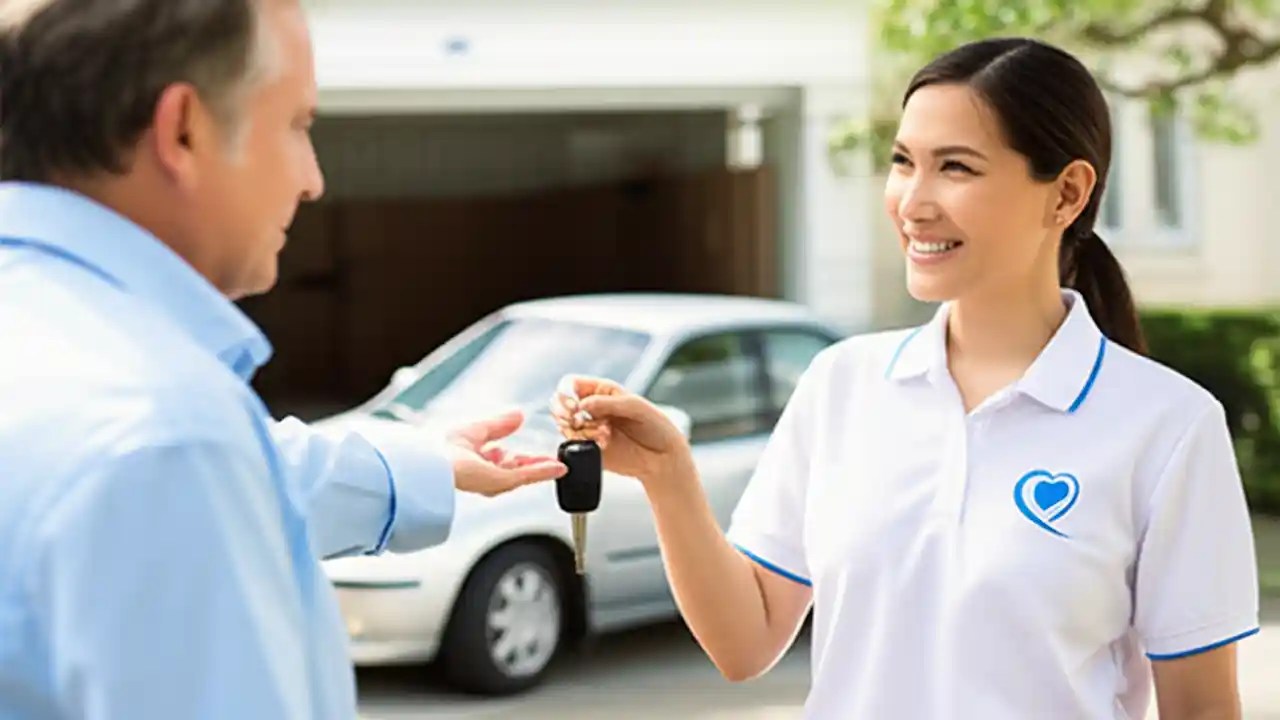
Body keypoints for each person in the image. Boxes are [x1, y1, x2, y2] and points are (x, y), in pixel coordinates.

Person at [554, 37, 1260, 719]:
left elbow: (1200, 708)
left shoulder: (1167, 426)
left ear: (1067, 193)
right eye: (902, 162)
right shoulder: (841, 385)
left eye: (956, 167)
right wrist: (667, 478)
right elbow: (746, 643)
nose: (913, 202)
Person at [0, 0, 567, 718]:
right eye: (298, 126)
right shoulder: (164, 436)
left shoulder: (57, 355)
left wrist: (427, 463)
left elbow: (260, 473)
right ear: (184, 130)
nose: (313, 180)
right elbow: (179, 467)